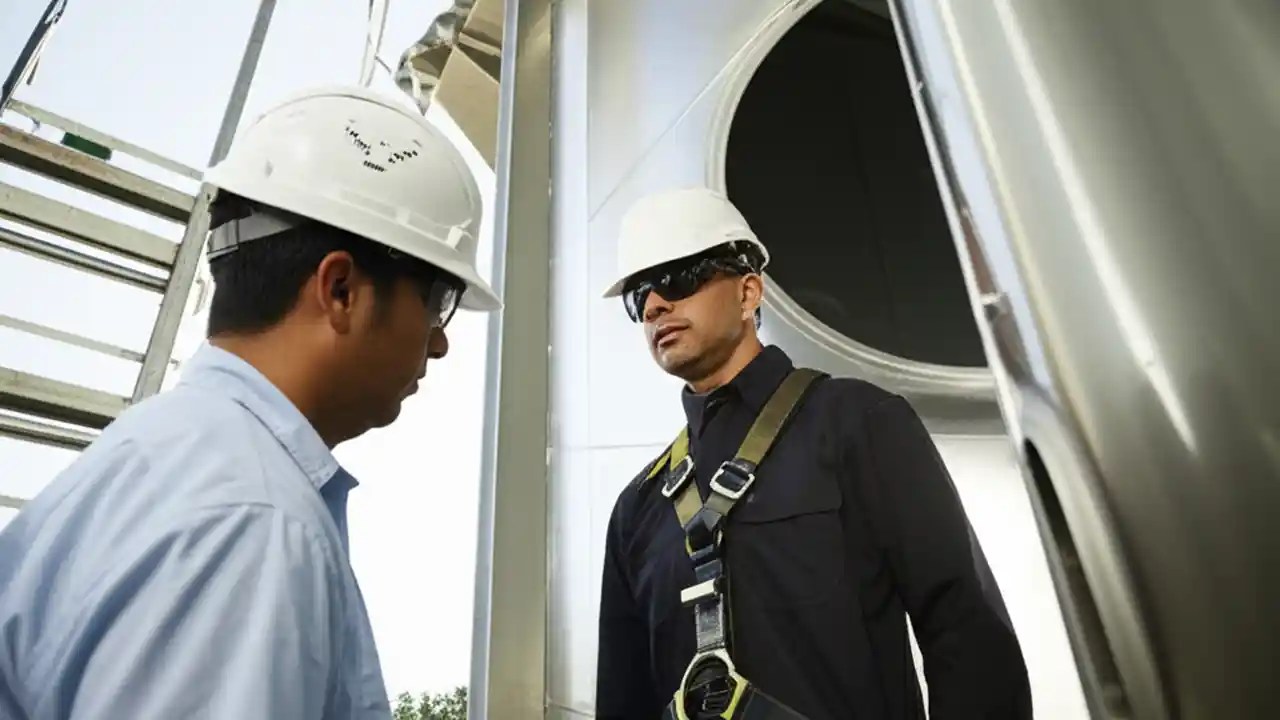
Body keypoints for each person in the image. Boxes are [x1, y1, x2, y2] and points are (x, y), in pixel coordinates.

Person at [0, 85, 501, 719]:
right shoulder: (253, 523)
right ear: (341, 288)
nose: (440, 342)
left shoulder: (157, 450)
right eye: (436, 302)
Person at [594, 186, 1032, 719]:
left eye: (675, 279)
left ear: (749, 292)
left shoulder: (860, 424)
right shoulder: (636, 511)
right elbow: (623, 702)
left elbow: (965, 630)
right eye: (638, 297)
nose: (656, 305)